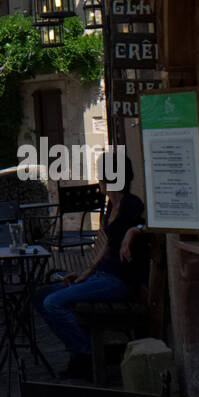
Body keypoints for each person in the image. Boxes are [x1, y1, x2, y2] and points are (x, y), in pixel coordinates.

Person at [33, 157, 149, 380]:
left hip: (118, 281)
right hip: (101, 276)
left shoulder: (130, 203)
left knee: (53, 303)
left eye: (102, 174)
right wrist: (87, 271)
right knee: (41, 296)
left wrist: (133, 231)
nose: (99, 180)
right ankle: (83, 349)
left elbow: (152, 223)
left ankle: (87, 355)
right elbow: (106, 245)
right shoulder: (110, 205)